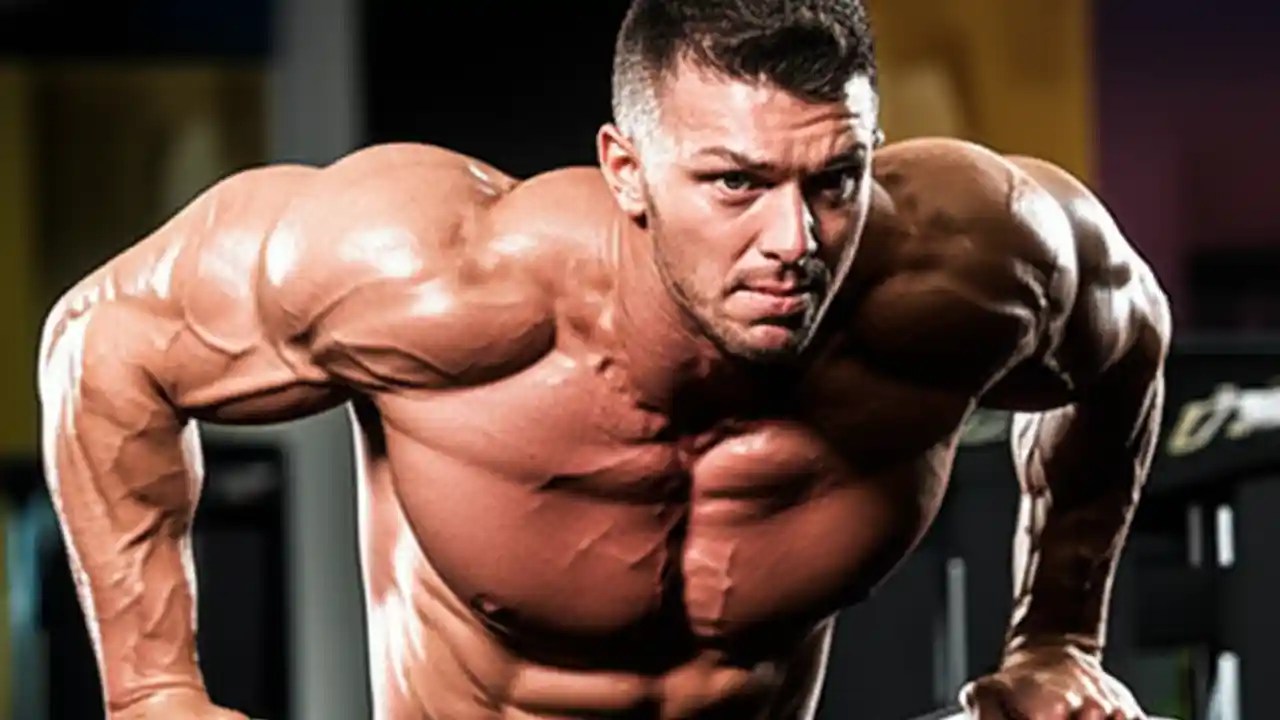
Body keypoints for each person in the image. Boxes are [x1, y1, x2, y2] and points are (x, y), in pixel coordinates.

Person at [36, 1, 1171, 718]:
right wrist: (153, 691)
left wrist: (1055, 638)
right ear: (625, 169)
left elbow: (1127, 345)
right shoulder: (437, 278)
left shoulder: (972, 265)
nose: (795, 242)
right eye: (733, 183)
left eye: (834, 181)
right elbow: (106, 342)